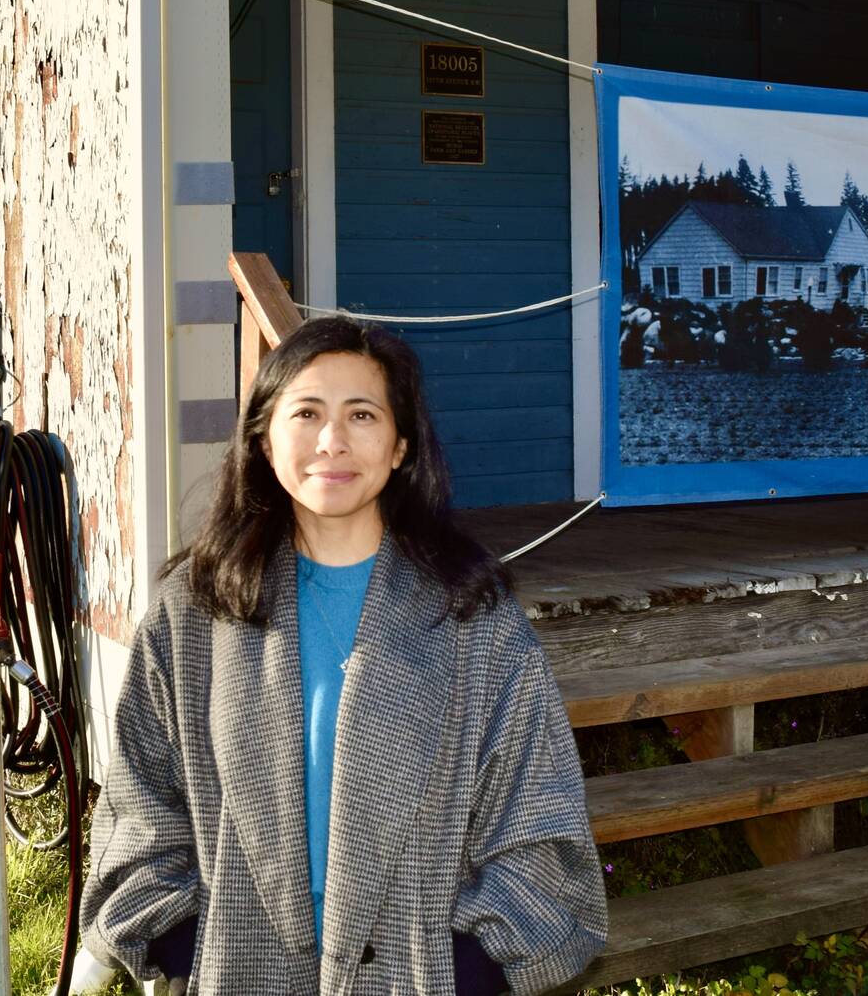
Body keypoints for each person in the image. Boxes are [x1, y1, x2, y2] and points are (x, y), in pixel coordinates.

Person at [75, 316, 607, 994]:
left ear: (401, 445)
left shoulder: (474, 617)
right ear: (264, 438)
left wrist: (469, 970)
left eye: (362, 414)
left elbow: (540, 819)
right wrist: (187, 942)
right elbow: (139, 802)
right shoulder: (194, 612)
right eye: (307, 413)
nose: (332, 440)